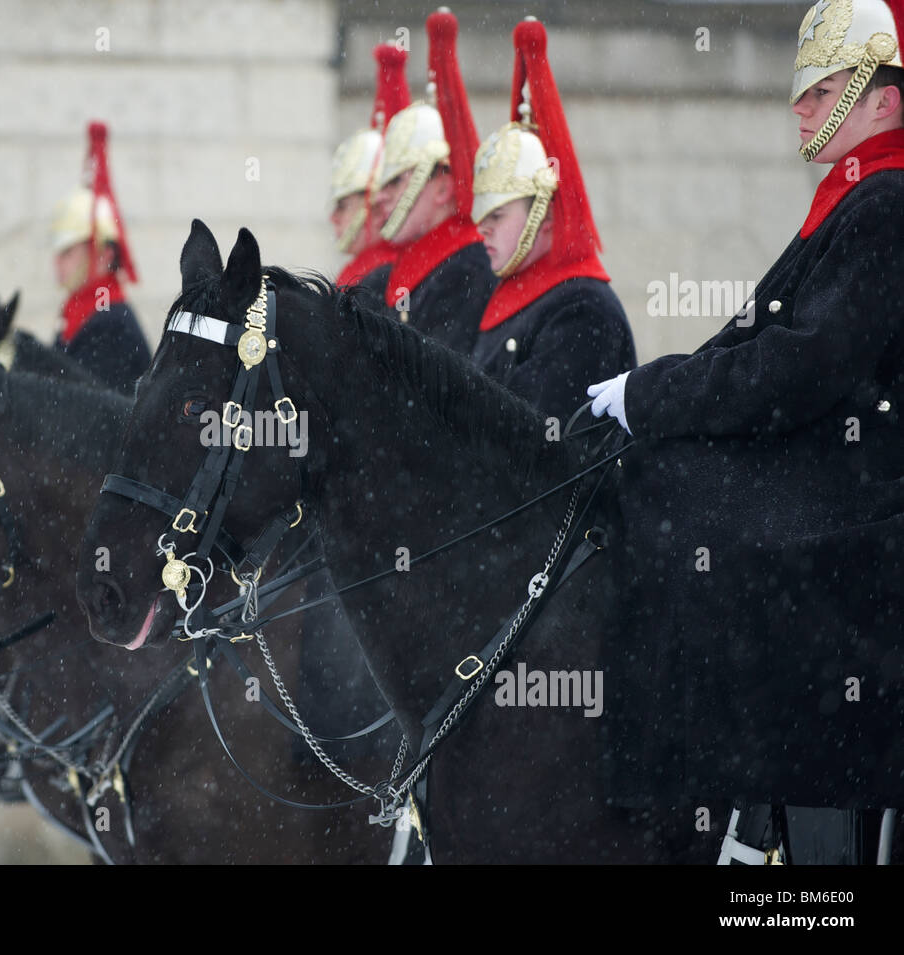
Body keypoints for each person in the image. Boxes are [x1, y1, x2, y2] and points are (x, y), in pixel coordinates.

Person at [589, 0, 904, 863]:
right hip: (838, 463)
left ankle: (722, 792)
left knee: (682, 503)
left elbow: (805, 365)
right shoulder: (852, 196)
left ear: (883, 100)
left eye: (823, 92)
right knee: (660, 472)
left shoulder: (885, 202)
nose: (801, 106)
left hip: (870, 480)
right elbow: (750, 339)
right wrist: (653, 402)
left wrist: (654, 395)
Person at [469, 18, 636, 421]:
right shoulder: (513, 293)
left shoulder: (581, 308)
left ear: (544, 214)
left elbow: (535, 439)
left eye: (498, 214)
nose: (483, 228)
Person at [369, 9, 496, 355]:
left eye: (396, 181)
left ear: (442, 187)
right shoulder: (400, 272)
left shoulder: (468, 269)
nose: (379, 197)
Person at [50, 121, 151, 395]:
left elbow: (75, 405)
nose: (57, 263)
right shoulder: (76, 314)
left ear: (104, 255)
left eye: (68, 252)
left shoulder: (111, 322)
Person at [332, 42, 410, 297]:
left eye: (343, 205)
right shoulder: (360, 271)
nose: (333, 217)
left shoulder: (379, 275)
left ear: (375, 210)